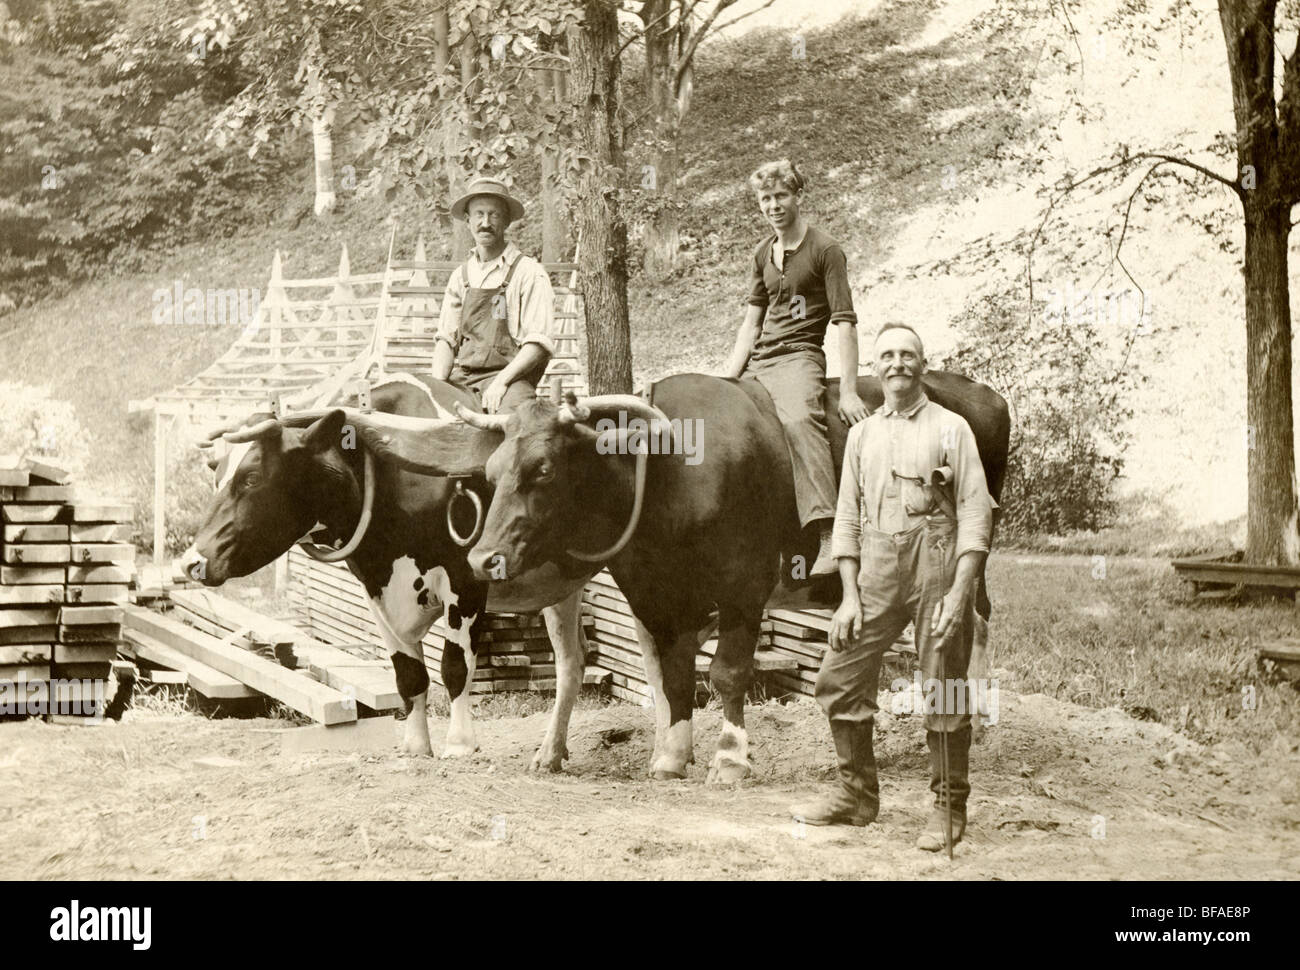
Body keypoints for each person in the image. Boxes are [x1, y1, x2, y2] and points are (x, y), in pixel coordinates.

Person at [791, 322, 993, 852]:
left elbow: (976, 515)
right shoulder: (861, 435)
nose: (897, 363)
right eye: (888, 356)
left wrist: (960, 593)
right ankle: (857, 795)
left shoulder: (952, 428)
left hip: (938, 560)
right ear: (875, 368)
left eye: (908, 355)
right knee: (838, 678)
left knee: (944, 685)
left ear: (923, 365)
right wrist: (850, 596)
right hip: (878, 563)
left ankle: (949, 808)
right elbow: (846, 520)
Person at [722, 160, 867, 577]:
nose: (773, 206)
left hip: (800, 357)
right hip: (760, 360)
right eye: (765, 199)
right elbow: (750, 324)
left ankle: (828, 533)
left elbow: (844, 322)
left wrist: (852, 390)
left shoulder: (825, 250)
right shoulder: (762, 253)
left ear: (797, 196)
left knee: (802, 418)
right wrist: (729, 379)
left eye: (780, 196)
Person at [433, 176, 555, 413]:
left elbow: (538, 344)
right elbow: (446, 340)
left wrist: (501, 382)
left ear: (507, 221)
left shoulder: (529, 273)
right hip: (464, 381)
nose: (485, 223)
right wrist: (437, 388)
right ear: (468, 221)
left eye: (494, 215)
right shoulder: (461, 276)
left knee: (514, 429)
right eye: (479, 214)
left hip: (512, 381)